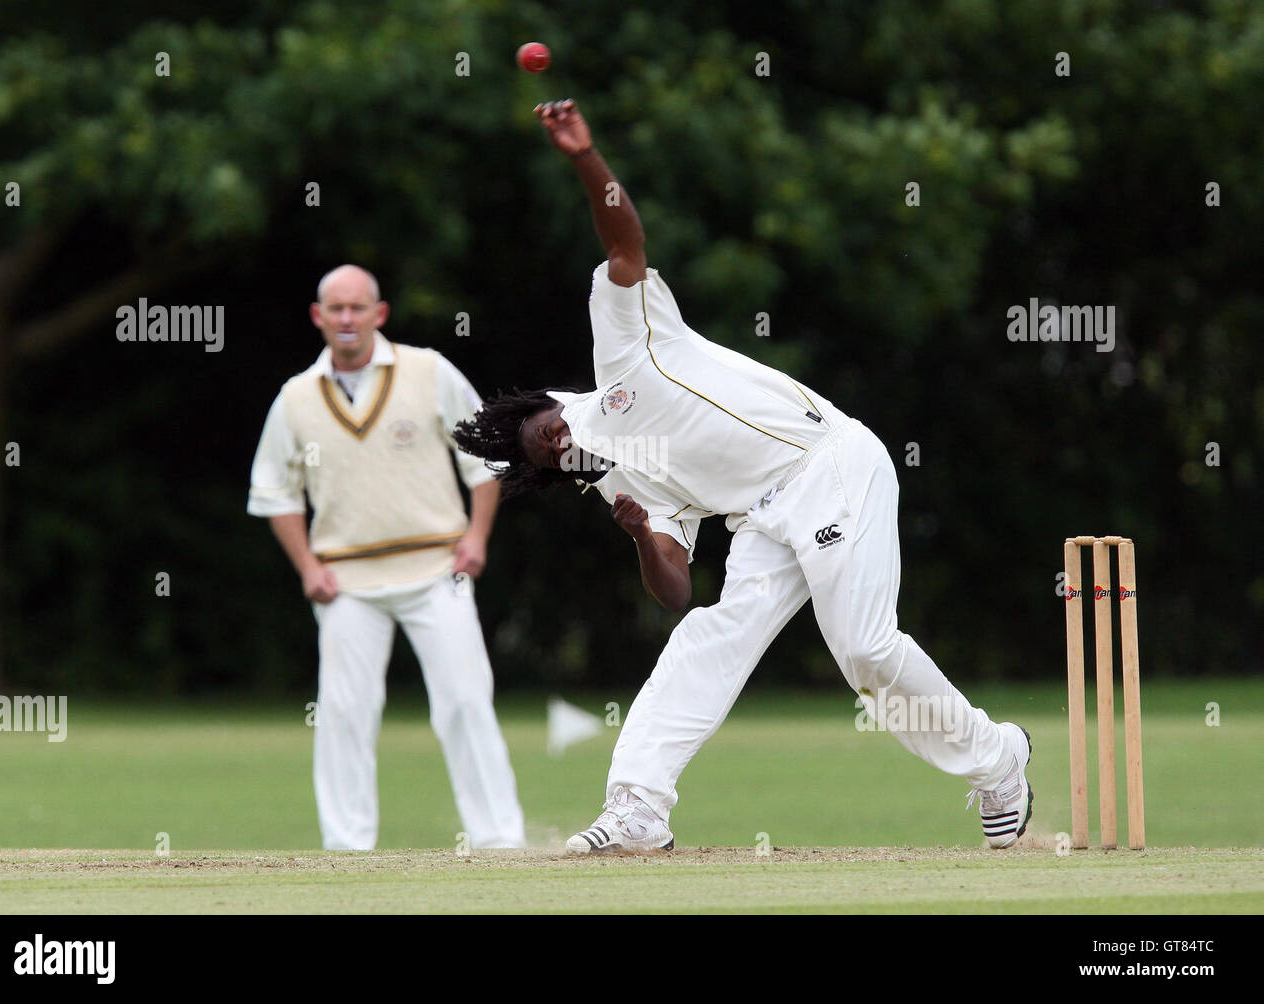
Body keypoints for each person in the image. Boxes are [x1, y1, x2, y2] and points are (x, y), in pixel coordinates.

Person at [453, 100, 1032, 854]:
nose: (561, 447)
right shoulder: (616, 486)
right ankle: (639, 808)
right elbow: (675, 588)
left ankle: (998, 761)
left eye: (551, 432)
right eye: (550, 459)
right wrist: (640, 538)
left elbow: (624, 241)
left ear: (550, 404)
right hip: (761, 517)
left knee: (861, 648)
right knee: (708, 635)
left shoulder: (621, 353)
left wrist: (583, 158)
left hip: (827, 464)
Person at [248, 264, 526, 851]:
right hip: (345, 580)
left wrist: (476, 538)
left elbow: (486, 457)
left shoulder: (427, 371)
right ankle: (348, 848)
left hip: (436, 569)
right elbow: (273, 492)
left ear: (380, 314)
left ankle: (499, 840)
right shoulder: (295, 397)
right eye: (336, 308)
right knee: (344, 716)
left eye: (358, 308)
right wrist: (308, 568)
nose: (347, 319)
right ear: (318, 317)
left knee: (464, 703)